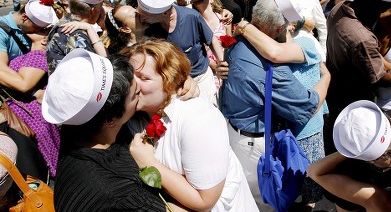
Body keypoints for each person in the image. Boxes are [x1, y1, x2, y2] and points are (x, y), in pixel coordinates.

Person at [219, 0, 329, 211]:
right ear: (281, 26)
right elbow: (306, 106)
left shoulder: (237, 45)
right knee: (267, 201)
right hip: (256, 146)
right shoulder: (273, 69)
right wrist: (327, 77)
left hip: (233, 134)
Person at [123, 39, 259, 212]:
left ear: (170, 81)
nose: (132, 84)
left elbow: (205, 201)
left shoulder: (197, 118)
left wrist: (148, 162)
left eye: (144, 78)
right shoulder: (135, 114)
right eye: (130, 75)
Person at [42, 49, 167, 212]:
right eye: (135, 94)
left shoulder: (77, 127)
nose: (141, 90)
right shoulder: (115, 191)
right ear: (110, 119)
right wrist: (149, 162)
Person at [325, 0, 391, 155]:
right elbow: (377, 76)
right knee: (354, 149)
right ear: (379, 8)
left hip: (335, 92)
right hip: (352, 101)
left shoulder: (339, 9)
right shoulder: (362, 38)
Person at [138, 0, 223, 105]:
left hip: (201, 79)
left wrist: (221, 61)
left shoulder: (191, 17)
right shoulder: (150, 29)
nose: (141, 19)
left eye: (145, 16)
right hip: (173, 85)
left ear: (165, 13)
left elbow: (212, 40)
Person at [0, 27, 60, 177]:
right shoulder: (28, 54)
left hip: (29, 116)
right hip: (27, 113)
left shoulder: (39, 55)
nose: (33, 27)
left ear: (45, 39)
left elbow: (23, 85)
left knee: (37, 157)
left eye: (40, 29)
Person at [46, 0, 107, 75]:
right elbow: (102, 70)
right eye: (101, 7)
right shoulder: (77, 35)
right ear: (93, 10)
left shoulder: (63, 22)